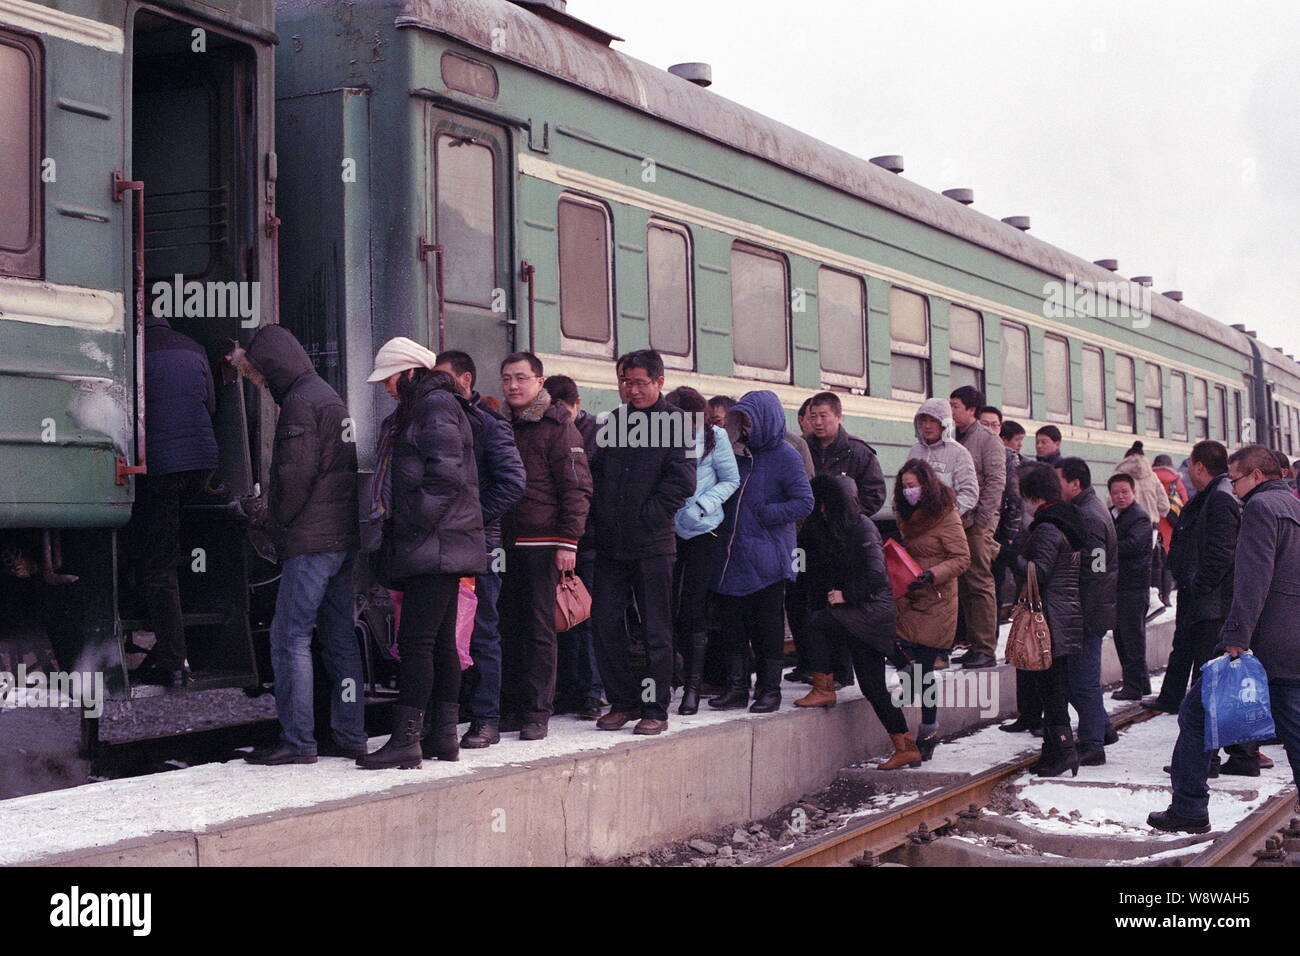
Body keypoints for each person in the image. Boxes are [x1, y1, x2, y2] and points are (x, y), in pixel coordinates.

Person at [227, 326, 363, 764]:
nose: (261, 383)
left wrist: (272, 522)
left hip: (312, 541)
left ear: (272, 366)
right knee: (340, 640)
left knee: (290, 638)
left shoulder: (300, 403)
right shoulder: (326, 394)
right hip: (341, 537)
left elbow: (293, 477)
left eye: (260, 375)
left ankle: (298, 742)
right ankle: (350, 735)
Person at [1150, 445, 1300, 833]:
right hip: (1291, 639)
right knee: (1294, 729)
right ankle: (1188, 806)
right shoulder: (1294, 506)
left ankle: (1189, 808)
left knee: (1196, 714)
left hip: (1264, 641)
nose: (1232, 489)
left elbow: (1253, 578)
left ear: (1255, 476)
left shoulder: (1261, 510)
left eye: (1235, 480)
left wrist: (1236, 636)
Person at [357, 341, 485, 770]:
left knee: (415, 643)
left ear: (408, 372)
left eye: (390, 380)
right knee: (441, 643)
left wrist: (413, 524)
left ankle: (406, 740)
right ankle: (443, 737)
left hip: (433, 543)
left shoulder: (432, 407)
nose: (387, 389)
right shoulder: (435, 404)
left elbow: (445, 478)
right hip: (443, 543)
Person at [591, 350, 696, 735]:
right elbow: (597, 473)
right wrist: (599, 517)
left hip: (652, 543)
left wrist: (646, 515)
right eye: (625, 381)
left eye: (639, 382)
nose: (631, 389)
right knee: (604, 621)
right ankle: (622, 701)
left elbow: (683, 482)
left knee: (656, 627)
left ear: (659, 382)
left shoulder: (678, 424)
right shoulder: (614, 421)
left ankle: (655, 708)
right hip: (610, 544)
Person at [431, 350, 526, 748]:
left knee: (483, 632)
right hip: (448, 544)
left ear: (466, 380)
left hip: (481, 545)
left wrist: (472, 517)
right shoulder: (442, 421)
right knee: (446, 635)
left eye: (445, 379)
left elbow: (512, 481)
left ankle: (486, 719)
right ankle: (455, 716)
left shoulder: (489, 426)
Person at [496, 352, 592, 741]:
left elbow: (577, 488)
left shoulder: (558, 426)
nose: (513, 386)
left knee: (539, 628)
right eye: (506, 379)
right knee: (508, 626)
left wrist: (569, 541)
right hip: (505, 542)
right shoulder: (501, 424)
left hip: (543, 541)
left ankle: (537, 711)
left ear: (539, 381)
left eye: (521, 378)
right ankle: (512, 708)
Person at [127, 314, 221, 687]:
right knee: (166, 547)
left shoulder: (132, 349)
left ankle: (173, 660)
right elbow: (210, 405)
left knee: (158, 564)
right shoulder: (193, 347)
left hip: (163, 467)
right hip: (201, 463)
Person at [707, 390, 813, 713]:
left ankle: (770, 690)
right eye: (742, 420)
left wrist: (767, 514)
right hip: (733, 554)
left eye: (751, 419)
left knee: (767, 628)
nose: (747, 426)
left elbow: (804, 501)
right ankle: (737, 687)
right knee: (733, 625)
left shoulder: (786, 455)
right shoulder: (735, 453)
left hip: (768, 557)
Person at [793, 477, 910, 760]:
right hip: (857, 614)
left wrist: (845, 594)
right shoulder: (832, 528)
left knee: (816, 624)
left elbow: (874, 575)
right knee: (873, 687)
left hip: (869, 613)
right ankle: (907, 747)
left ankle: (824, 688)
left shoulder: (863, 528)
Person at [1144, 441, 1240, 717]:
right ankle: (1171, 698)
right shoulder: (1211, 493)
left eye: (1190, 462)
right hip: (1196, 591)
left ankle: (1196, 714)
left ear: (1200, 466)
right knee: (1183, 646)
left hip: (1207, 598)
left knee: (1202, 656)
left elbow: (1222, 552)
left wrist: (1199, 585)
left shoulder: (1219, 497)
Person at [665, 386, 740, 714]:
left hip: (703, 530)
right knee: (663, 608)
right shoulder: (660, 435)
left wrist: (701, 506)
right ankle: (668, 679)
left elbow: (730, 480)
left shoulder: (715, 438)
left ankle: (692, 688)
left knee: (693, 610)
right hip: (665, 531)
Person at [891, 459, 971, 761]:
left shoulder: (945, 515)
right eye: (905, 486)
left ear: (927, 485)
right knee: (896, 650)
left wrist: (933, 573)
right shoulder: (906, 513)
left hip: (936, 598)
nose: (909, 491)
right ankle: (918, 724)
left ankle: (928, 732)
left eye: (914, 485)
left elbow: (962, 558)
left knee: (924, 668)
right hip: (910, 595)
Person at [1013, 463, 1086, 778]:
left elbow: (1037, 573)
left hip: (1050, 618)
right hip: (1064, 613)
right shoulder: (1067, 521)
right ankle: (1055, 751)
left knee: (1051, 688)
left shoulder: (1046, 528)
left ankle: (1062, 752)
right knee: (1054, 686)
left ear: (1032, 496)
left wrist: (1008, 556)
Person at [544, 374, 606, 720]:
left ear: (576, 405)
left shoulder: (595, 435)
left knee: (584, 616)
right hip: (559, 540)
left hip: (588, 541)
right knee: (560, 616)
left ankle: (592, 692)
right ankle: (570, 690)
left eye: (564, 411)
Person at [1055, 457, 1117, 765]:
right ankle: (1103, 728)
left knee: (1082, 680)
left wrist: (1079, 609)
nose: (1057, 487)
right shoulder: (1089, 508)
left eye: (1060, 481)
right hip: (1090, 609)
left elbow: (1096, 569)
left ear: (1074, 483)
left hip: (1088, 612)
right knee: (1079, 678)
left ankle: (1093, 744)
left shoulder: (1089, 517)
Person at [950, 387, 1006, 670]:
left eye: (956, 405)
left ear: (971, 409)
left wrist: (983, 520)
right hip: (955, 522)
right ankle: (973, 644)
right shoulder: (951, 438)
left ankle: (985, 648)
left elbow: (996, 481)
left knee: (980, 583)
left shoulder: (987, 440)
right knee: (963, 584)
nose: (951, 411)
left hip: (976, 524)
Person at [1108, 473, 1154, 700]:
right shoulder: (1113, 514)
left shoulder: (1139, 517)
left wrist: (1108, 544)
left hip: (1134, 587)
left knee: (1131, 638)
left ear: (1133, 492)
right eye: (1115, 492)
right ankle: (1140, 683)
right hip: (1120, 587)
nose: (1120, 496)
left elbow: (1132, 545)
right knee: (1123, 637)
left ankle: (1133, 687)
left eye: (1124, 491)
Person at [804, 392, 887, 517]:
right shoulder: (802, 448)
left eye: (823, 416)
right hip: (808, 528)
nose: (818, 422)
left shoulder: (859, 452)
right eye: (813, 416)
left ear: (838, 416)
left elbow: (875, 494)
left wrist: (848, 515)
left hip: (845, 530)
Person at [1116, 440, 1172, 610]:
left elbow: (1111, 502)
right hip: (1151, 526)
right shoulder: (1152, 476)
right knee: (1150, 565)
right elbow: (1165, 507)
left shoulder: (1119, 475)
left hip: (1126, 525)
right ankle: (1153, 602)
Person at [980, 408, 1024, 621]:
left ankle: (991, 633)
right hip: (973, 529)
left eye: (994, 425)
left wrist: (1007, 536)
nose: (989, 429)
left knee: (993, 583)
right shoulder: (969, 449)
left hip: (997, 533)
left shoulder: (1008, 457)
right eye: (985, 424)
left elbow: (1015, 500)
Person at [905, 398, 979, 520]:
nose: (927, 426)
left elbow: (970, 494)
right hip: (915, 523)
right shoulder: (915, 450)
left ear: (945, 423)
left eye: (933, 420)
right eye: (923, 420)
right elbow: (903, 484)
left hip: (945, 524)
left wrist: (946, 514)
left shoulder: (958, 453)